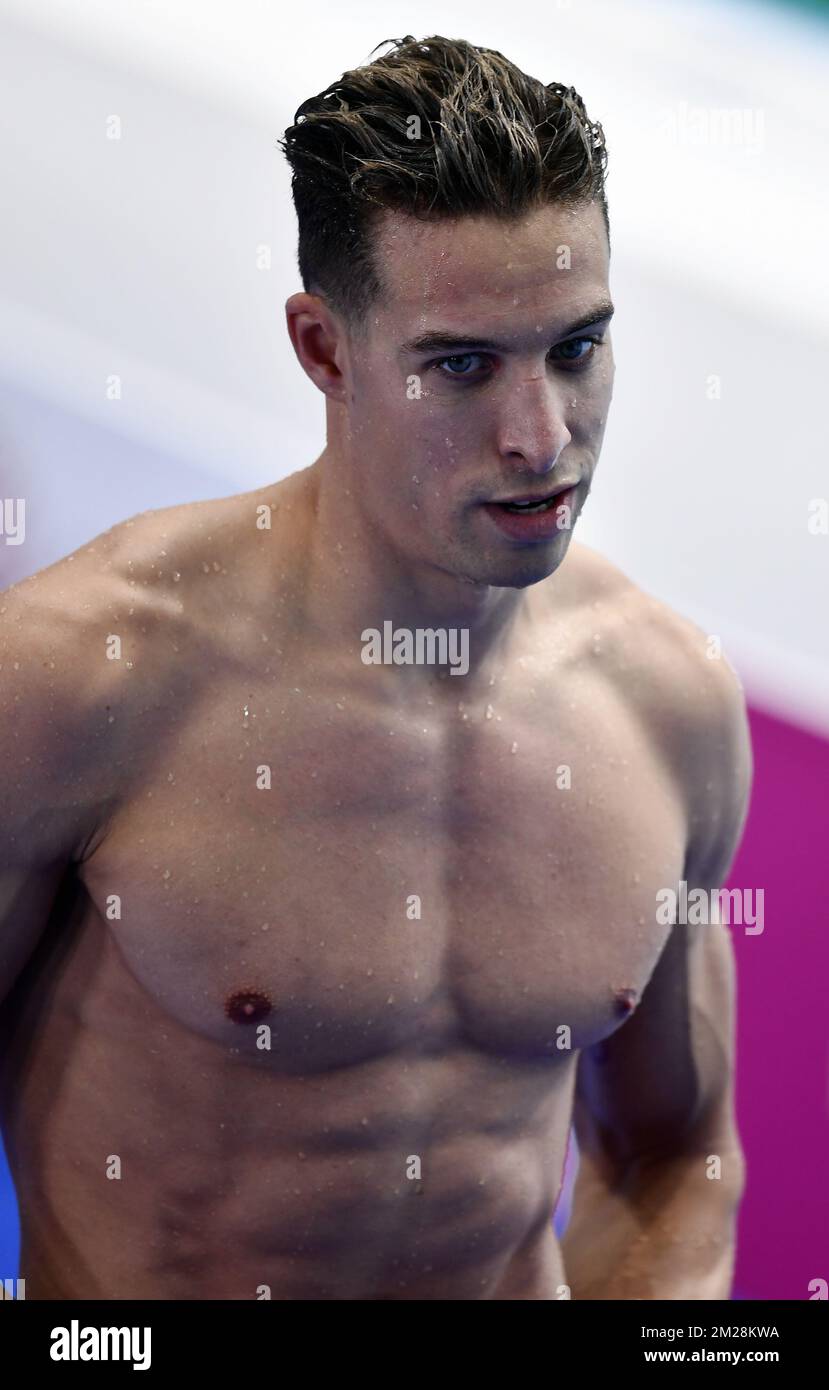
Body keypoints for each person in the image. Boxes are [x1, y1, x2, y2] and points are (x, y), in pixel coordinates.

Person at [0, 34, 751, 1300]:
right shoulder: (86, 676)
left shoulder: (668, 701)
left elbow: (677, 1154)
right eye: (462, 365)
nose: (540, 437)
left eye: (576, 349)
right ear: (325, 349)